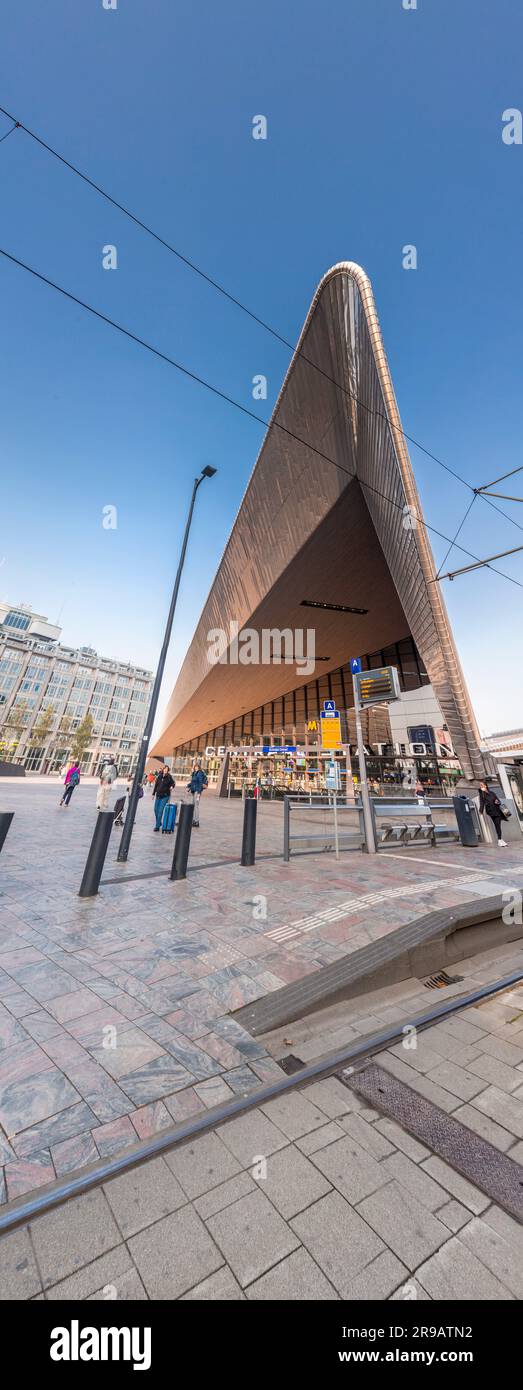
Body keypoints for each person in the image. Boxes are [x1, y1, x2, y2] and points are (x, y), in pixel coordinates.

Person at [479, 781, 507, 847]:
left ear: (485, 786)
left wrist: (497, 801)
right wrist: (481, 811)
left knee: (498, 825)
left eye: (482, 785)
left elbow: (498, 801)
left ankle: (500, 839)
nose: (481, 786)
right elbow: (482, 803)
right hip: (491, 812)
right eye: (480, 785)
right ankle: (500, 840)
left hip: (498, 811)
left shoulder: (492, 793)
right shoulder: (482, 794)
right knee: (497, 825)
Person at [153, 765, 175, 830]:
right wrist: (153, 794)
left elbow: (173, 783)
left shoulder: (169, 777)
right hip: (158, 795)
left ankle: (157, 827)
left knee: (160, 811)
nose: (165, 770)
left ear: (168, 770)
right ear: (163, 769)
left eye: (167, 769)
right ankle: (159, 822)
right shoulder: (159, 776)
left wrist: (172, 786)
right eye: (165, 769)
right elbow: (156, 785)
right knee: (155, 809)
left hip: (165, 796)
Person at [186, 761, 208, 827]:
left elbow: (200, 783)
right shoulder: (194, 773)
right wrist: (188, 786)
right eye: (195, 767)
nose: (195, 768)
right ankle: (193, 820)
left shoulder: (200, 773)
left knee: (196, 806)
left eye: (197, 767)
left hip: (197, 791)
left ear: (199, 768)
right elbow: (193, 782)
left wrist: (199, 793)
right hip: (193, 791)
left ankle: (196, 821)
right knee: (193, 806)